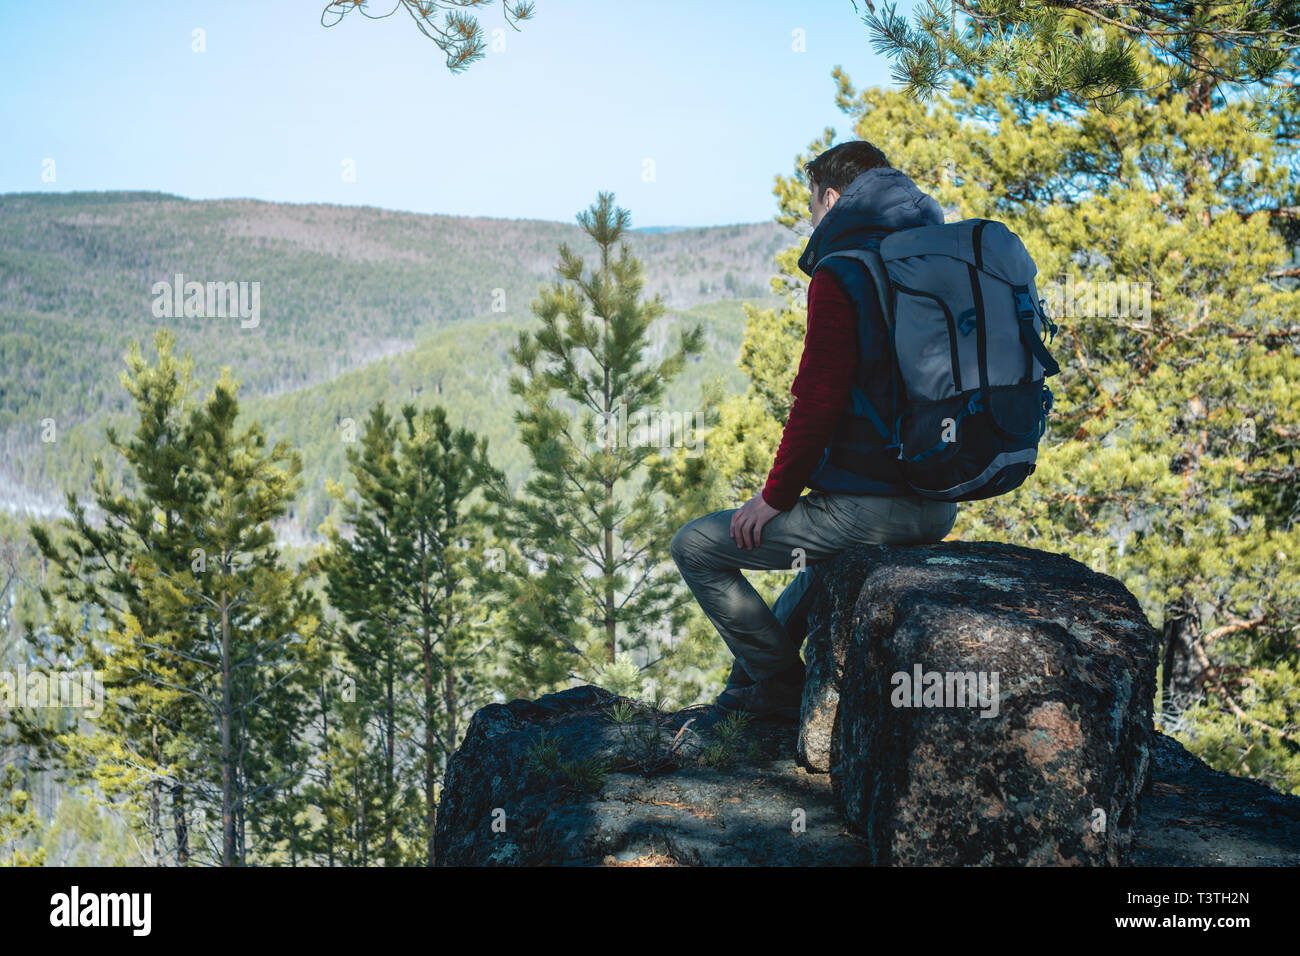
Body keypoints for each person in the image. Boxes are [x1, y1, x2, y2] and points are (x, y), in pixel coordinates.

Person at [669, 140, 959, 721]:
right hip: (939, 500)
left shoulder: (841, 272)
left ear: (831, 198)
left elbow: (818, 400)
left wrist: (772, 499)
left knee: (696, 546)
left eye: (810, 204)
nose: (809, 217)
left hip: (869, 509)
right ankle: (744, 688)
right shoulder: (932, 265)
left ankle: (779, 687)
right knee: (818, 563)